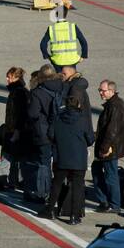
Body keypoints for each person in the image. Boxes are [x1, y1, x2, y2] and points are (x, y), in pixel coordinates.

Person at [42, 93, 94, 224]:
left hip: (62, 156)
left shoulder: (58, 118)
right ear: (78, 105)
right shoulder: (83, 120)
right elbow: (90, 139)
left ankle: (50, 209)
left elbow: (51, 135)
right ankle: (74, 216)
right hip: (78, 158)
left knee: (57, 184)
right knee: (77, 186)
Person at [92, 80, 124, 215]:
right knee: (99, 170)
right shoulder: (113, 104)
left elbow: (111, 131)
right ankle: (106, 201)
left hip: (110, 148)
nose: (100, 93)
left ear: (112, 91)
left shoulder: (115, 106)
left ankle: (113, 204)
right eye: (99, 90)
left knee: (110, 175)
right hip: (110, 146)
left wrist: (104, 148)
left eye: (103, 90)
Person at [25, 65, 62, 203]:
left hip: (43, 133)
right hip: (61, 132)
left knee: (43, 163)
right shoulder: (63, 87)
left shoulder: (38, 92)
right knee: (59, 164)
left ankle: (43, 193)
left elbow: (33, 114)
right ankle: (59, 192)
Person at [0, 66, 30, 190]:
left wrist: (16, 131)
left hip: (15, 131)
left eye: (10, 77)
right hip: (13, 130)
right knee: (16, 158)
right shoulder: (16, 91)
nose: (7, 79)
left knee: (10, 157)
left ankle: (2, 182)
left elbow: (21, 114)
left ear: (17, 77)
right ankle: (14, 182)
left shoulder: (19, 92)